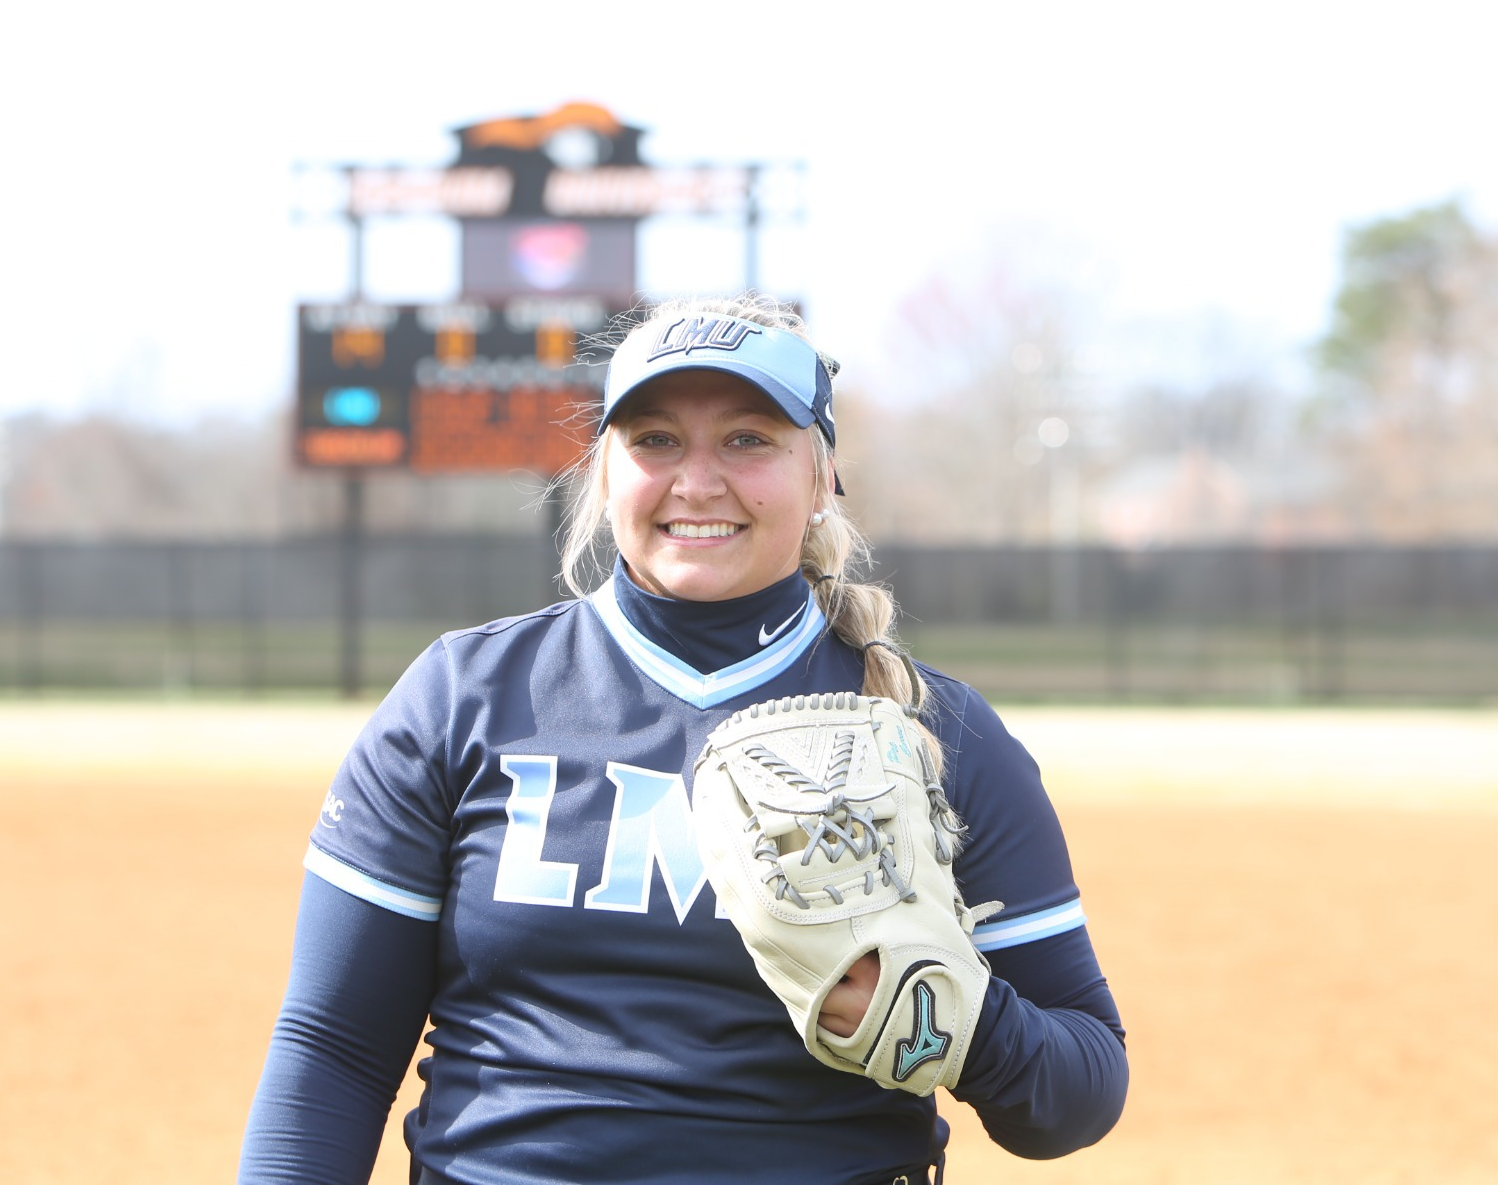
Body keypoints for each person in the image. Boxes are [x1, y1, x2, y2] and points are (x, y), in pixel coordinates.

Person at [239, 295, 1128, 1185]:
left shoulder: (934, 731)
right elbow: (336, 1049)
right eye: (656, 439)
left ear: (822, 477)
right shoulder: (462, 697)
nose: (697, 482)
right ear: (603, 472)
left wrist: (948, 1022)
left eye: (747, 439)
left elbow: (1083, 1087)